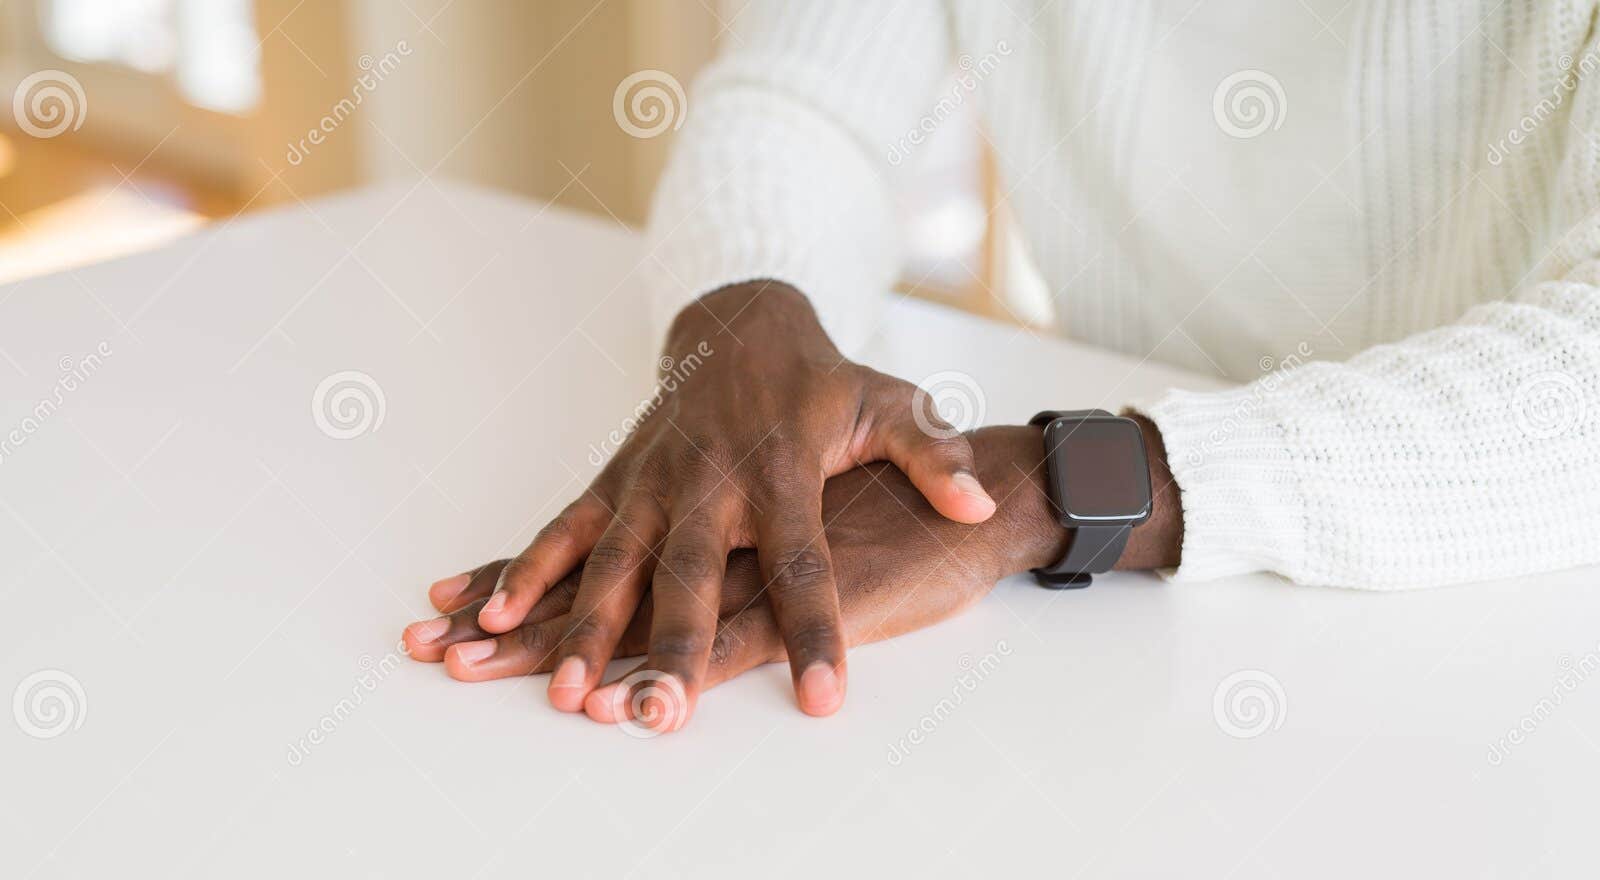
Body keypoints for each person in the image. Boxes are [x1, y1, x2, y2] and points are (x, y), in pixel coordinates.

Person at [404, 0, 1600, 733]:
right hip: (1127, 658)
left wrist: (1038, 486)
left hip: (1506, 609)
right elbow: (802, 101)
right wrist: (746, 311)